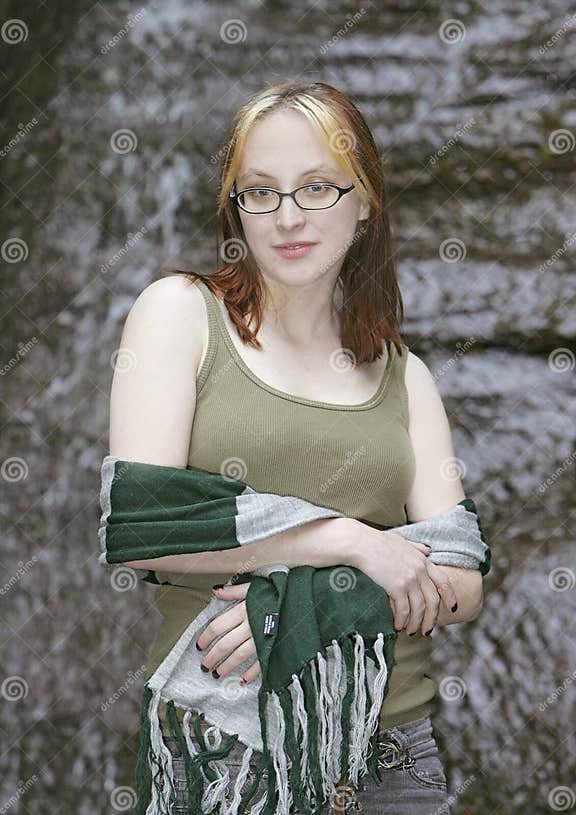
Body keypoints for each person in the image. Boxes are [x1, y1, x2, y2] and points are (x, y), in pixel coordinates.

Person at [109, 81, 483, 814]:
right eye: (260, 192)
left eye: (316, 187)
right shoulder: (180, 315)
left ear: (365, 200)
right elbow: (141, 526)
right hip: (225, 751)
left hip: (390, 756)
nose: (287, 217)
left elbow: (461, 581)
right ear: (235, 208)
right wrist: (350, 539)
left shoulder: (406, 379)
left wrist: (305, 602)